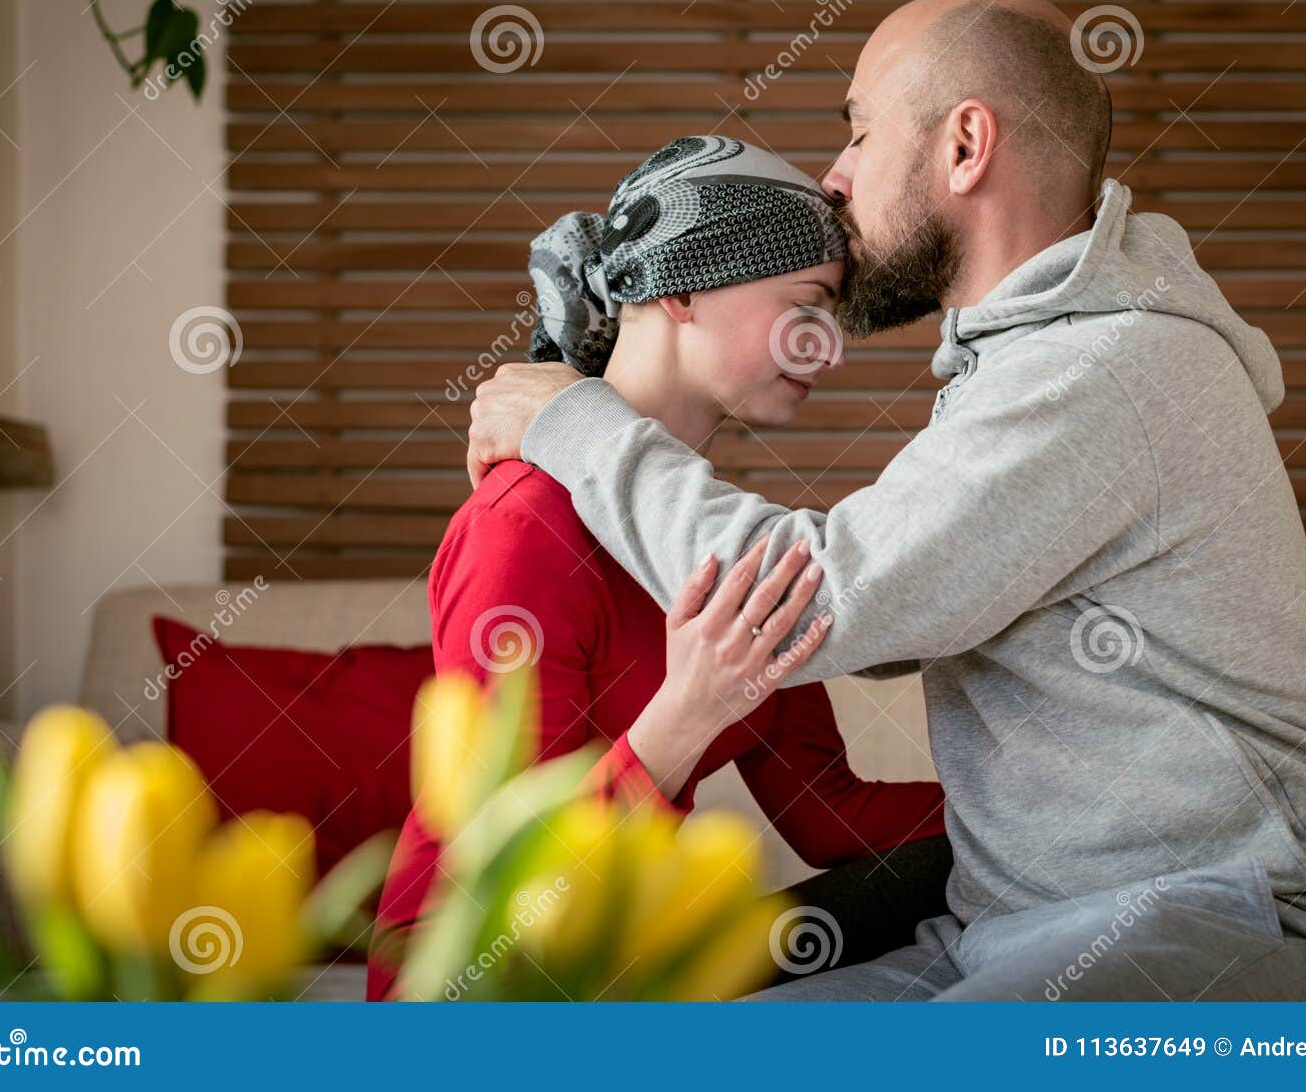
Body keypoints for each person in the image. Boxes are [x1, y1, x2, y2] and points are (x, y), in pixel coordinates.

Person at [462, 0, 1306, 1001]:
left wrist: (572, 422)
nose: (832, 178)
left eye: (858, 127)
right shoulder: (1024, 368)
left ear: (964, 145)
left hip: (1231, 922)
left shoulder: (1104, 367)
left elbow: (826, 600)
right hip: (1012, 928)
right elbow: (885, 617)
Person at [366, 136, 952, 1002]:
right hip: (475, 985)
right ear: (680, 289)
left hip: (629, 963)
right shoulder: (522, 525)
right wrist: (688, 712)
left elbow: (833, 817)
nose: (828, 348)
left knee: (947, 887)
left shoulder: (714, 540)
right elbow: (518, 876)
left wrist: (1059, 818)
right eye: (808, 305)